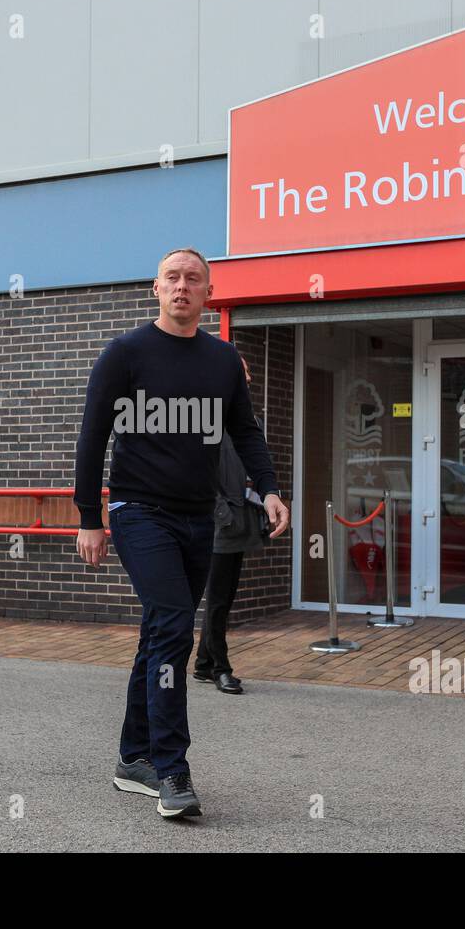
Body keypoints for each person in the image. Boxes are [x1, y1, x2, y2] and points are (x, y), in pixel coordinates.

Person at [74, 247, 290, 819]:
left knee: (159, 633)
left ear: (208, 292)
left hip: (199, 516)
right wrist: (89, 518)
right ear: (156, 288)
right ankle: (172, 769)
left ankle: (132, 757)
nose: (182, 286)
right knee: (173, 627)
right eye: (172, 277)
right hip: (138, 510)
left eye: (193, 279)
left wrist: (268, 488)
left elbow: (245, 432)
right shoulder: (125, 354)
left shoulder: (222, 361)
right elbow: (92, 437)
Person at [193, 356, 266, 695]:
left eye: (247, 374)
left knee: (225, 597)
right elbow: (201, 475)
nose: (247, 379)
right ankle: (221, 668)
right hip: (219, 522)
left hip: (243, 519)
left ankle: (203, 664)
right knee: (219, 598)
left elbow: (257, 464)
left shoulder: (250, 419)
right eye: (242, 373)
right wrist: (221, 514)